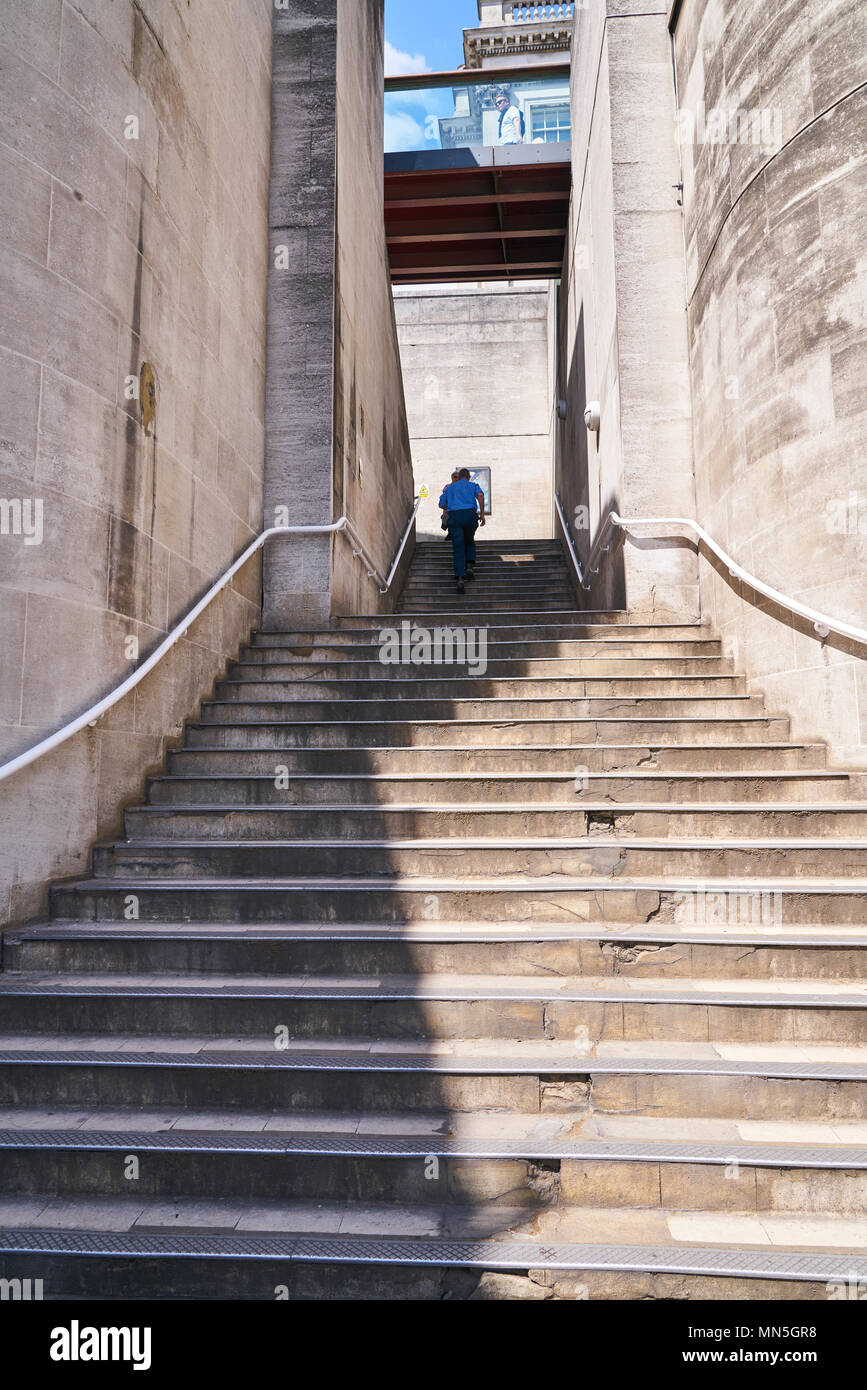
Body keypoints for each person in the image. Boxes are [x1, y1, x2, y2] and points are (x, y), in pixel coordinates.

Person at [438, 467, 485, 593]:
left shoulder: (450, 488)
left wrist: (452, 504)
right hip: (470, 515)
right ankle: (469, 566)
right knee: (469, 540)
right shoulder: (473, 485)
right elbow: (480, 495)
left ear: (460, 476)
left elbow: (441, 504)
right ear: (468, 477)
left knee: (458, 546)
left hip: (455, 517)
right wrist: (482, 514)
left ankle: (460, 578)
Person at [440, 469, 460, 537]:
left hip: (459, 510)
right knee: (451, 526)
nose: (457, 478)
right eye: (455, 477)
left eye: (458, 477)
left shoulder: (462, 487)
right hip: (449, 510)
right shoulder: (448, 487)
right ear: (452, 478)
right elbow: (444, 499)